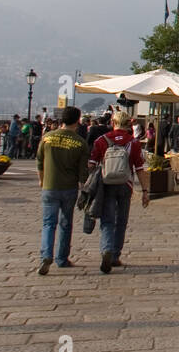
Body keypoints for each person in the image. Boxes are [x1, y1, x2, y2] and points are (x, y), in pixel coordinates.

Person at [88, 110, 150, 273]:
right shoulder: (134, 143)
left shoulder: (101, 140)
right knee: (121, 220)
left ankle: (106, 248)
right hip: (126, 184)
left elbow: (92, 164)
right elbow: (140, 169)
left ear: (113, 123)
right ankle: (115, 255)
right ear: (129, 125)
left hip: (106, 184)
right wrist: (145, 191)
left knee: (108, 220)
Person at [36, 106, 89, 275]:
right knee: (66, 224)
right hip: (69, 188)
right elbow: (83, 173)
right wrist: (84, 190)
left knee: (48, 223)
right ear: (78, 120)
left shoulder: (47, 138)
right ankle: (62, 258)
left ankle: (46, 254)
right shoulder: (80, 142)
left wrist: (42, 180)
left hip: (49, 186)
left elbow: (39, 162)